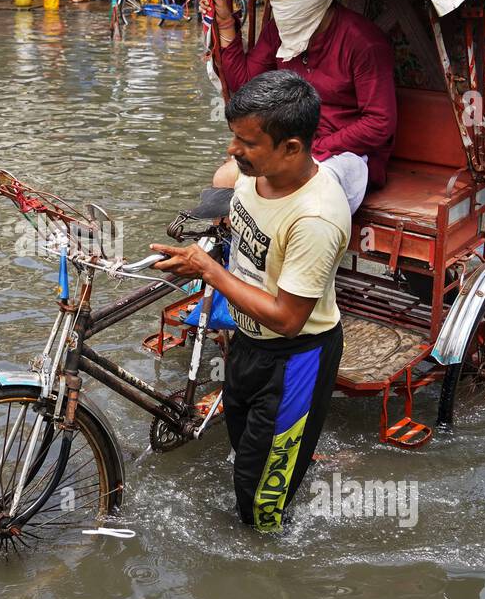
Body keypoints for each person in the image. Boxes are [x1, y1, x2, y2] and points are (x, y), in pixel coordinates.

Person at [150, 71, 350, 532]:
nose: (232, 150)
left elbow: (288, 318)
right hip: (246, 342)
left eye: (247, 142)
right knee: (245, 455)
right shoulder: (251, 178)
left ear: (292, 148)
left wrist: (209, 271)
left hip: (295, 358)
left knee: (261, 504)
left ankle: (270, 577)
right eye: (233, 137)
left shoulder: (316, 217)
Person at [205, 0, 397, 212]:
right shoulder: (279, 30)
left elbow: (379, 122)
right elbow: (245, 82)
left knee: (290, 193)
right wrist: (226, 24)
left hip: (345, 154)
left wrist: (317, 146)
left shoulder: (363, 42)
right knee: (223, 179)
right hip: (290, 143)